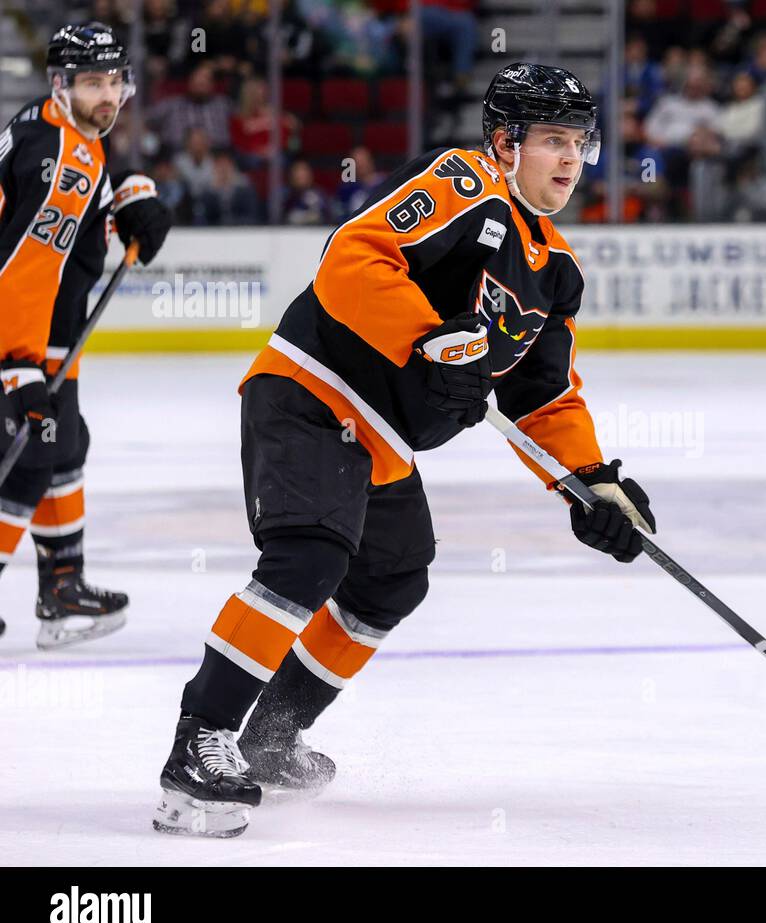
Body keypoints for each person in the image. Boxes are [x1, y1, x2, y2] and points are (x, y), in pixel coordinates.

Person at [152, 62, 656, 838]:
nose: (570, 159)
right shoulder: (466, 183)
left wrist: (589, 484)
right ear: (503, 141)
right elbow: (353, 256)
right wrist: (428, 341)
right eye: (553, 140)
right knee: (308, 557)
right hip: (313, 393)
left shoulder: (555, 269)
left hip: (381, 437)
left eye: (580, 143)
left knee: (393, 576)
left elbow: (543, 396)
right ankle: (200, 740)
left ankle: (273, 733)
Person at [0, 22, 172, 647]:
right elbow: (17, 274)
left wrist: (132, 192)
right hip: (22, 337)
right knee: (27, 459)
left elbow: (100, 173)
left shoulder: (67, 131)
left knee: (63, 448)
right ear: (60, 84)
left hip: (46, 332)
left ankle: (63, 586)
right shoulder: (59, 165)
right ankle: (59, 590)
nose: (106, 95)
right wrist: (17, 368)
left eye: (113, 81)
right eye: (91, 83)